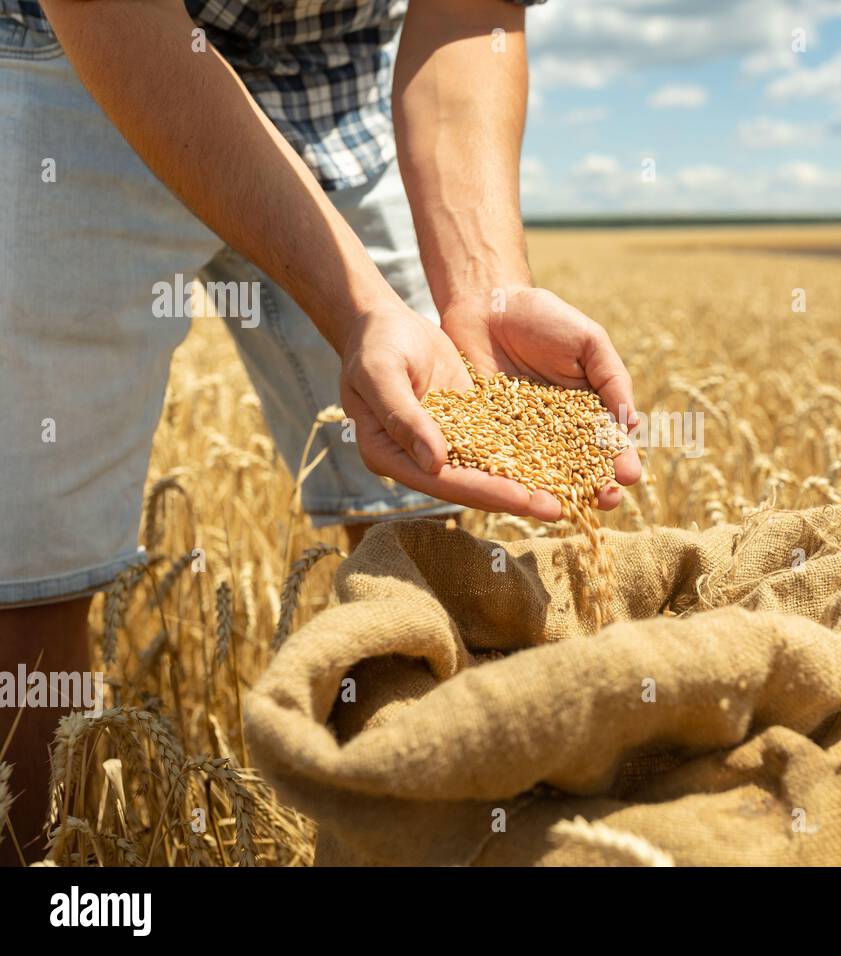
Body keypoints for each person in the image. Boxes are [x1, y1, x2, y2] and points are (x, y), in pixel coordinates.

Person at [0, 0, 640, 865]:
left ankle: (426, 834)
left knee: (423, 531)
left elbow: (468, 12)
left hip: (336, 80)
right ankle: (56, 873)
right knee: (26, 578)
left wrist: (486, 291)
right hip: (83, 56)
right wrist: (361, 311)